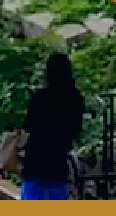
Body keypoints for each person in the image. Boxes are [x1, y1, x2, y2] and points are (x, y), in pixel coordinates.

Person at [19, 52, 85, 200]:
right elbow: (76, 130)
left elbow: (28, 127)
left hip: (35, 161)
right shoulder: (75, 99)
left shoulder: (41, 98)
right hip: (58, 161)